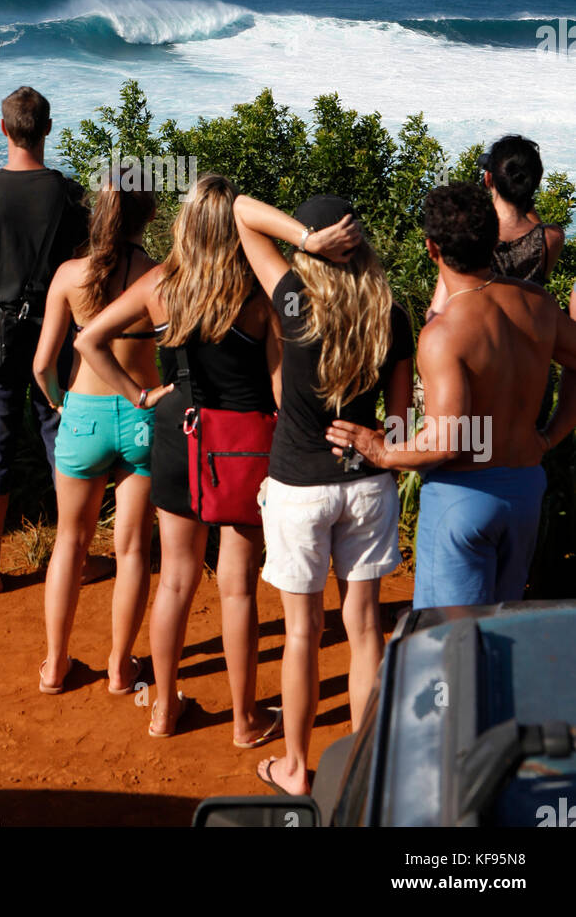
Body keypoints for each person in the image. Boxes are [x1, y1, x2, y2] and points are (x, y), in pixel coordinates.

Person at [78, 175, 354, 748]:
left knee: (175, 579)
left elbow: (88, 341)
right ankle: (244, 721)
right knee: (238, 589)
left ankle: (162, 710)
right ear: (234, 228)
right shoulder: (256, 292)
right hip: (246, 444)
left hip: (179, 433)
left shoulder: (161, 285)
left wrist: (139, 396)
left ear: (184, 225)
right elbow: (280, 389)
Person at [326, 182, 576, 616]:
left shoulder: (444, 334)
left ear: (431, 247)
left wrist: (381, 452)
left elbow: (446, 441)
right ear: (491, 239)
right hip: (524, 488)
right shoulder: (537, 303)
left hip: (464, 496)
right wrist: (553, 434)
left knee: (450, 643)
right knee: (502, 630)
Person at [233, 192, 412, 796]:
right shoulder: (390, 312)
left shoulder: (292, 298)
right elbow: (402, 424)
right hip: (366, 483)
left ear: (319, 248)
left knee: (303, 633)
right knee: (364, 630)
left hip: (298, 487)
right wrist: (371, 441)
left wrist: (305, 240)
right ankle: (364, 771)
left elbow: (239, 210)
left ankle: (294, 768)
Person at [0, 87, 89, 593]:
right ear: (48, 129)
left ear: (4, 128)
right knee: (63, 439)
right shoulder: (68, 194)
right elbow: (80, 258)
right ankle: (72, 557)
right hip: (54, 333)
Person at [33, 183, 160, 694]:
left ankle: (55, 664)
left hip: (82, 412)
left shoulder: (70, 275)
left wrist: (60, 401)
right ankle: (119, 666)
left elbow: (43, 364)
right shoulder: (161, 276)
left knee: (71, 542)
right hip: (142, 412)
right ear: (148, 215)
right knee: (132, 549)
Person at [428, 136, 564, 318]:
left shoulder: (467, 235)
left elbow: (437, 311)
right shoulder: (551, 238)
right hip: (527, 339)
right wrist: (523, 194)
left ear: (488, 178)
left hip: (480, 338)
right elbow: (535, 229)